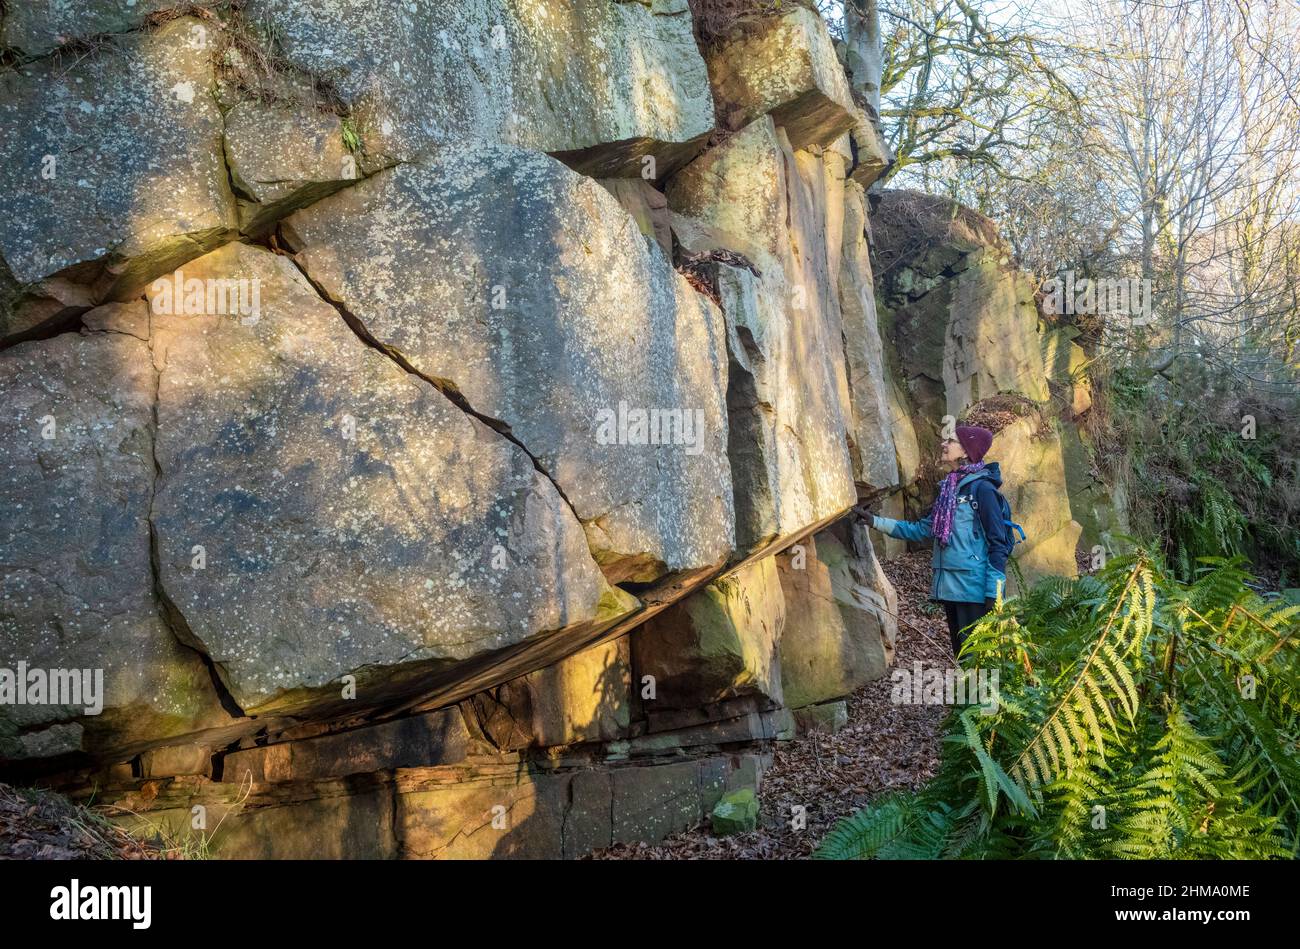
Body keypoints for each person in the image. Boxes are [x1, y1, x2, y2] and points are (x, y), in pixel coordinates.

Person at [859, 425, 1010, 659]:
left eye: (951, 440)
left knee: (980, 664)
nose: (944, 443)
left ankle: (982, 697)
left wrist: (994, 595)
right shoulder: (950, 490)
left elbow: (998, 544)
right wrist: (875, 521)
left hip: (976, 594)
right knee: (965, 662)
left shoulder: (983, 491)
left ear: (966, 451)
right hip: (953, 591)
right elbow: (921, 530)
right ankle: (971, 696)